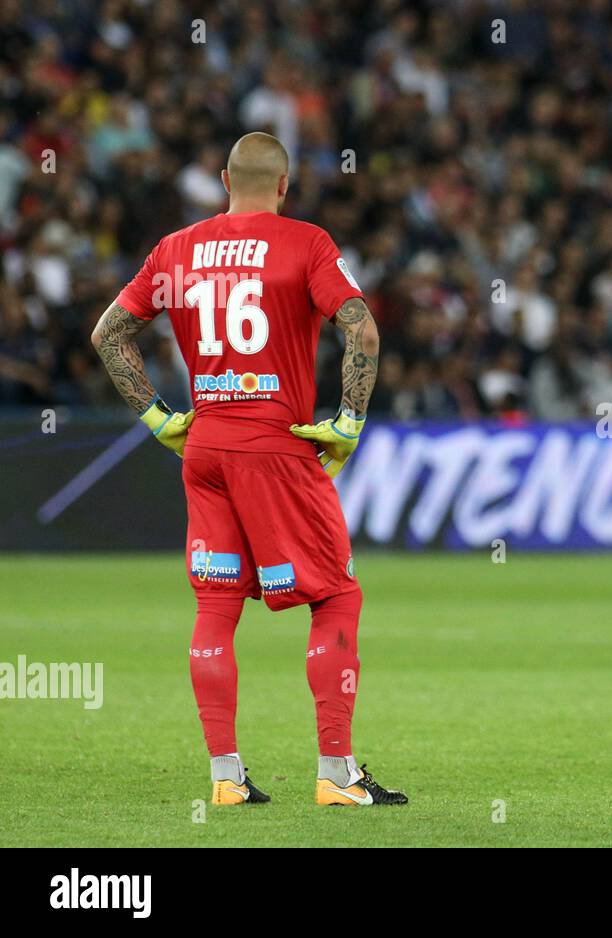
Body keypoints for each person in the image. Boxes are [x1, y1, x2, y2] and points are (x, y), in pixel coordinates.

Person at [90, 132, 406, 808]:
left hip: (205, 449)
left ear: (224, 180)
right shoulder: (306, 243)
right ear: (284, 186)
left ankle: (226, 778)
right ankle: (336, 772)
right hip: (275, 446)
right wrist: (348, 422)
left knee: (214, 608)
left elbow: (108, 334)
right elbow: (364, 331)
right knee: (337, 598)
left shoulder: (175, 250)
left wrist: (157, 417)